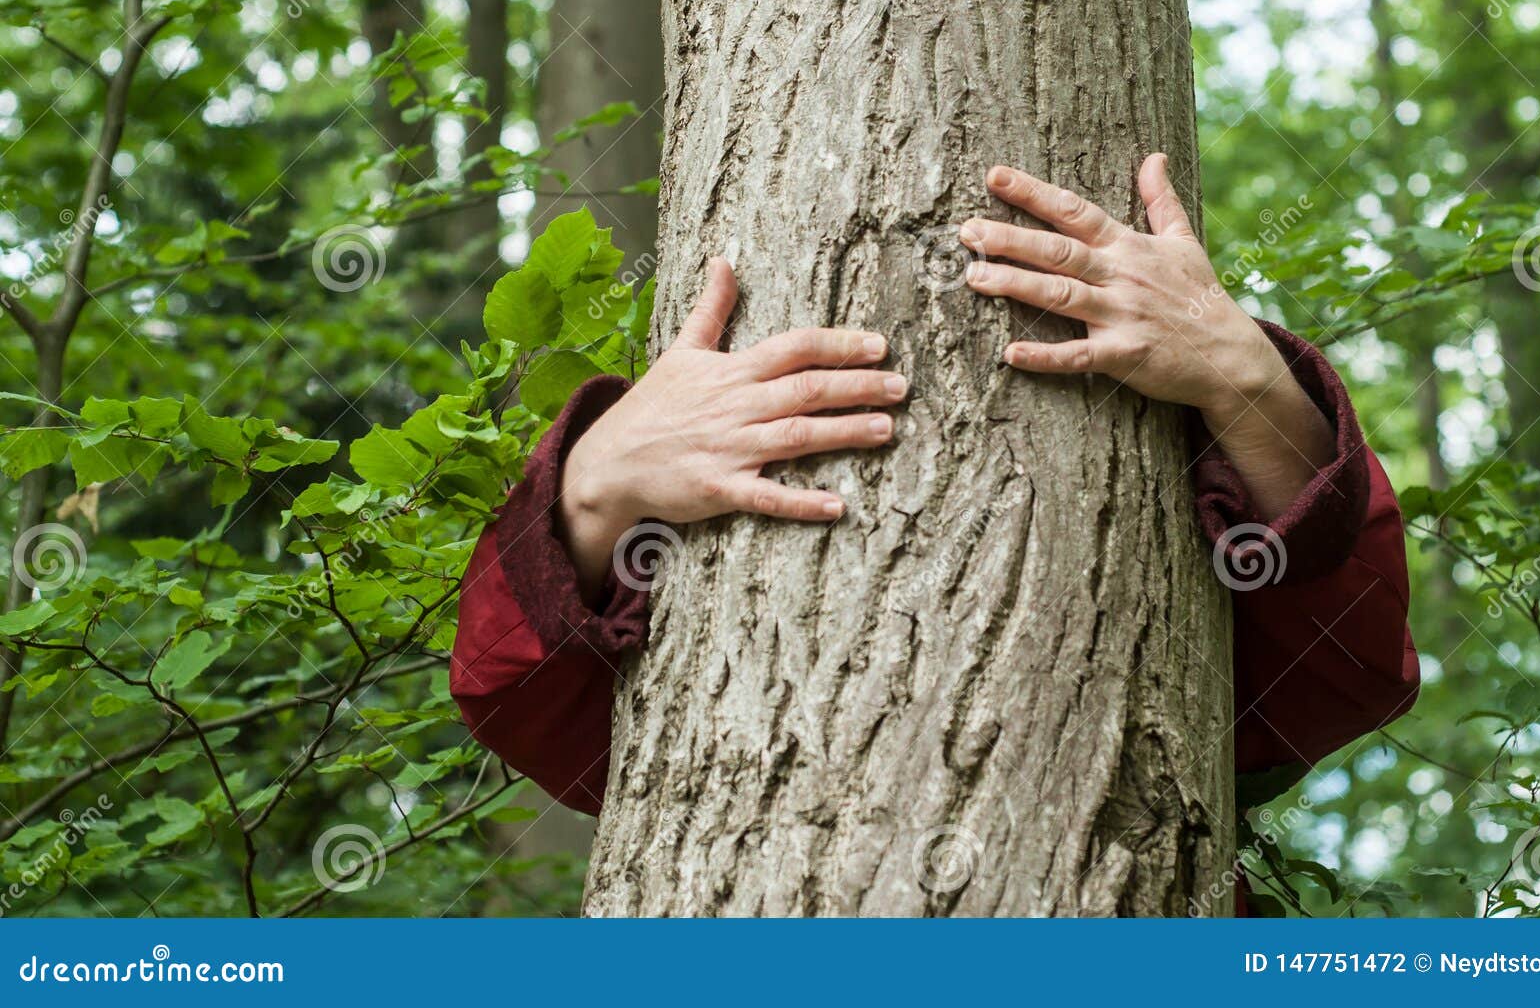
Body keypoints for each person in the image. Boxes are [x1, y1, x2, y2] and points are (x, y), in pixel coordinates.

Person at [450, 156, 1420, 853]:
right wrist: (589, 490)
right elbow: (531, 710)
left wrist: (1250, 385)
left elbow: (1351, 671)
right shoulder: (690, 463)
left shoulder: (1182, 466)